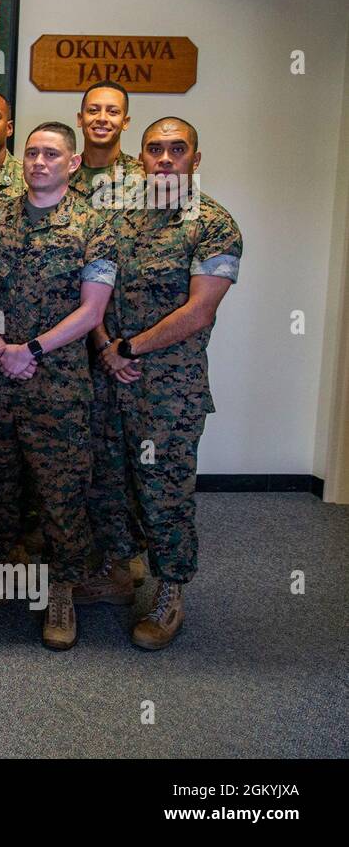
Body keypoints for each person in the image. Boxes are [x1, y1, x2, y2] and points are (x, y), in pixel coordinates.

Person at [84, 117, 241, 649]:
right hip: (110, 375)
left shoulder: (214, 225)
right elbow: (94, 290)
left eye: (178, 149)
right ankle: (117, 572)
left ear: (196, 158)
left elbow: (199, 311)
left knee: (163, 491)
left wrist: (130, 348)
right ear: (141, 156)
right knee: (109, 481)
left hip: (169, 390)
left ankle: (170, 590)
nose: (166, 158)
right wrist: (107, 345)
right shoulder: (117, 213)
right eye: (155, 149)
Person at [0, 122, 116, 650]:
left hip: (59, 382)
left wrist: (30, 351)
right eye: (32, 153)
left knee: (61, 491)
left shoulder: (95, 225)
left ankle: (63, 594)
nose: (39, 161)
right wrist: (1, 348)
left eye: (51, 154)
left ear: (73, 164)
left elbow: (92, 310)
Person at [71, 80, 151, 595]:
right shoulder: (62, 171)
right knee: (85, 452)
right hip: (71, 340)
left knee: (133, 454)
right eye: (93, 110)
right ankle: (99, 555)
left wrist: (117, 345)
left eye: (113, 111)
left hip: (130, 340)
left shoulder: (149, 181)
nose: (102, 117)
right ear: (80, 118)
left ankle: (132, 557)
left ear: (126, 121)